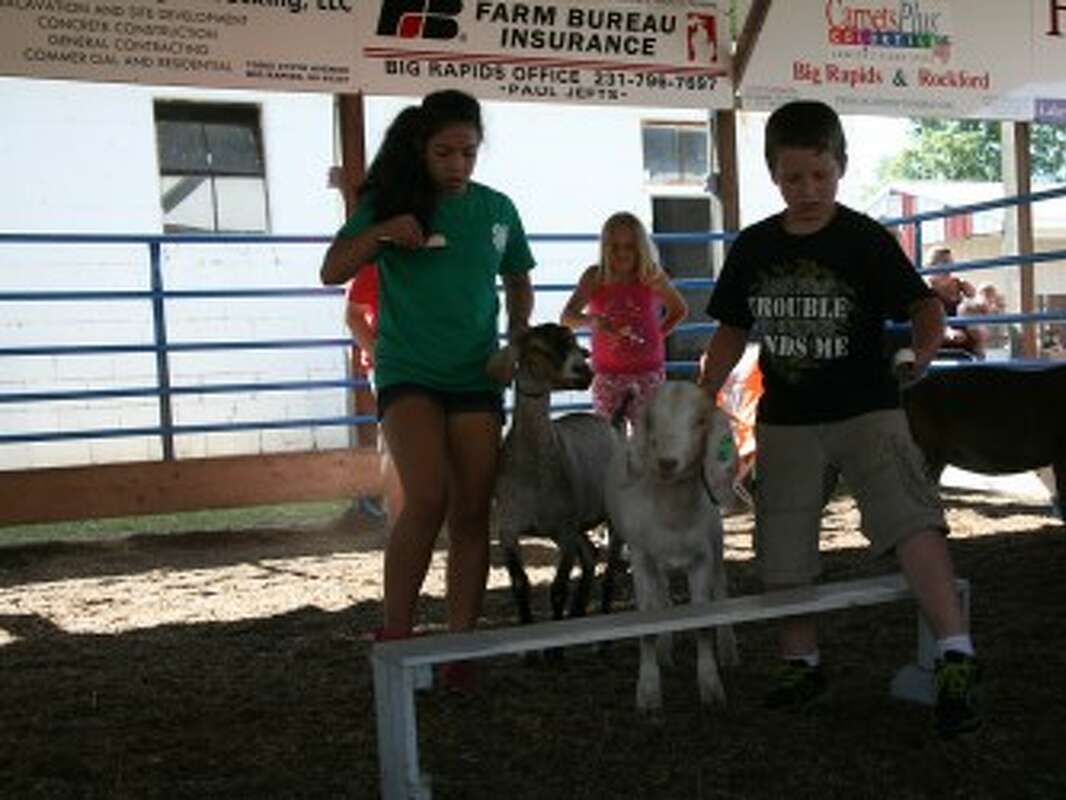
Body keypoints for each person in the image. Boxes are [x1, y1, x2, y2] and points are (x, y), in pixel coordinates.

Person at [697, 100, 981, 737]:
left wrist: (923, 352)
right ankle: (801, 663)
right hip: (786, 418)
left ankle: (957, 654)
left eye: (820, 175)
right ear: (773, 175)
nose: (807, 190)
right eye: (793, 178)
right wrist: (704, 389)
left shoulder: (865, 238)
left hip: (869, 409)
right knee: (782, 538)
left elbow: (923, 306)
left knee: (912, 518)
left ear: (842, 166)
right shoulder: (755, 245)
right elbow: (732, 328)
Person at [320, 90, 536, 653]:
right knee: (427, 497)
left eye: (468, 153)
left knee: (472, 511)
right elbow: (332, 270)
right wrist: (382, 232)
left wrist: (516, 335)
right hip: (408, 370)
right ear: (420, 148)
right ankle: (397, 632)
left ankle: (461, 647)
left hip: (476, 374)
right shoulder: (390, 204)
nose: (458, 165)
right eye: (445, 153)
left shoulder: (498, 209)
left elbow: (518, 278)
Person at [560, 212, 688, 420]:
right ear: (605, 248)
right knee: (609, 435)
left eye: (629, 247)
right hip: (607, 374)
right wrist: (592, 321)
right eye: (615, 247)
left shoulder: (652, 276)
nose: (622, 253)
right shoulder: (595, 277)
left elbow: (679, 309)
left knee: (648, 434)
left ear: (641, 248)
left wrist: (657, 336)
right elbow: (567, 318)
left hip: (648, 372)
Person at [344, 263, 405, 526]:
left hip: (429, 366)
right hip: (393, 370)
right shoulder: (378, 265)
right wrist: (380, 358)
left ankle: (407, 525)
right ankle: (399, 525)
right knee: (397, 445)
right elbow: (353, 315)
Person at [926, 247, 981, 356]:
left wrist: (973, 296)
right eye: (944, 262)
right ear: (932, 265)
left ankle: (980, 353)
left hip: (962, 330)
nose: (949, 267)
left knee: (970, 314)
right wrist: (948, 332)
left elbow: (977, 301)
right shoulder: (927, 289)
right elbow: (929, 320)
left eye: (951, 262)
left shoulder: (958, 283)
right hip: (940, 332)